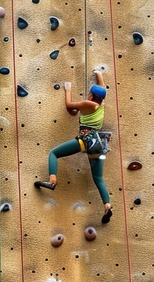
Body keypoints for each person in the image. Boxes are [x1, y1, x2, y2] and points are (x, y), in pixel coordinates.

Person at [34, 71, 112, 224]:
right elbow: (102, 88)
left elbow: (70, 105)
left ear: (90, 96)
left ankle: (52, 180)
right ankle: (107, 205)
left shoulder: (88, 103)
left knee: (54, 153)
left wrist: (68, 89)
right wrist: (98, 74)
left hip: (86, 140)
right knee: (98, 178)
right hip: (99, 144)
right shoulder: (101, 103)